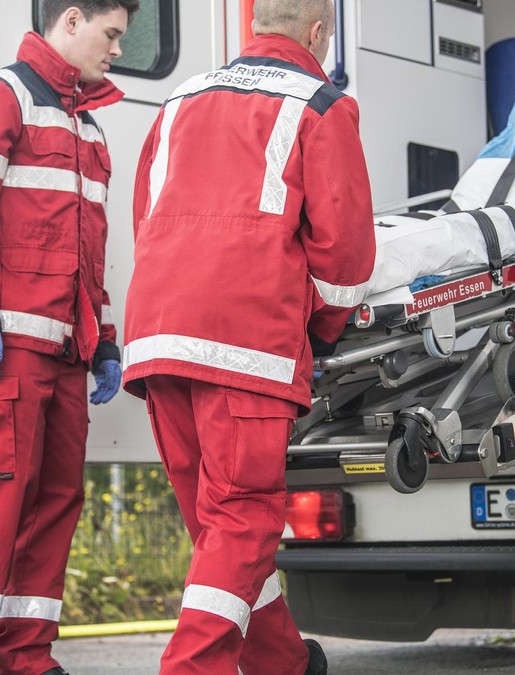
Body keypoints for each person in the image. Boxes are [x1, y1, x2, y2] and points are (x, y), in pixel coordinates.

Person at [122, 0, 376, 672]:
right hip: (247, 339)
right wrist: (320, 332)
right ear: (318, 33)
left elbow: (146, 213)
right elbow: (345, 257)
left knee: (220, 532)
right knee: (242, 518)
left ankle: (281, 662)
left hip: (158, 336)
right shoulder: (322, 105)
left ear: (255, 26)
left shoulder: (180, 99)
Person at [0, 1, 138, 673]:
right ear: (71, 20)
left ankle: (24, 654)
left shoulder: (90, 129)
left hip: (68, 351)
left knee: (56, 502)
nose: (116, 51)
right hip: (8, 345)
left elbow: (90, 252)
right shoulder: (0, 97)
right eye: (111, 35)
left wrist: (105, 340)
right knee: (0, 496)